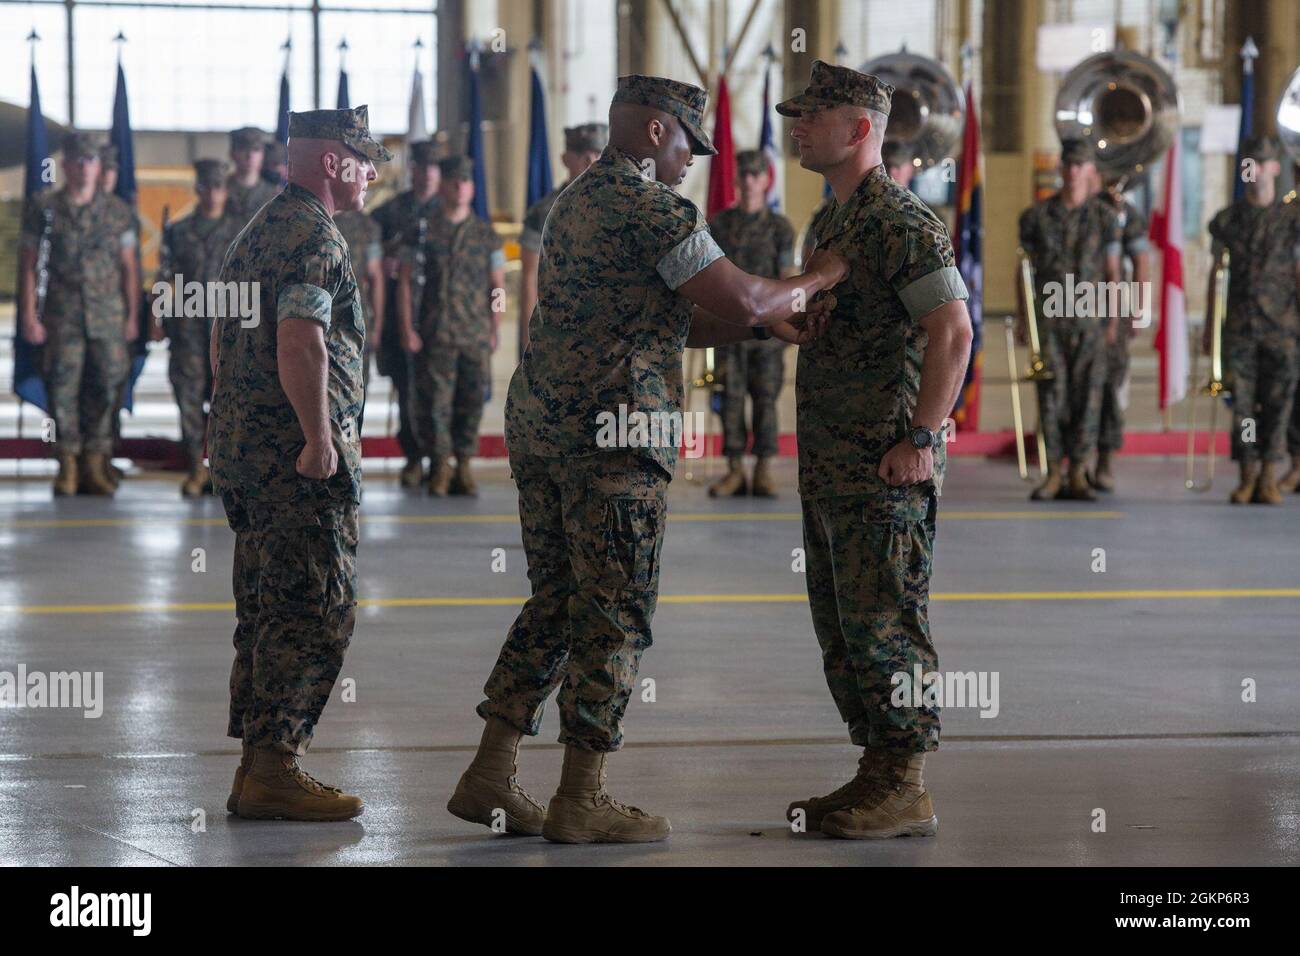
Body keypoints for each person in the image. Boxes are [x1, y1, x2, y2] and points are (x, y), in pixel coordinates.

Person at [446, 73, 846, 844]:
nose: (694, 160)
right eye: (690, 144)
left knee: (558, 602)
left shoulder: (573, 202)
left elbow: (673, 317)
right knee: (615, 612)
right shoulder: (652, 206)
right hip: (616, 441)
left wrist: (761, 326)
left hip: (547, 427)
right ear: (658, 131)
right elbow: (747, 297)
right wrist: (820, 278)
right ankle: (582, 796)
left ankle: (491, 770)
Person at [777, 60, 972, 840]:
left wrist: (922, 436)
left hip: (884, 460)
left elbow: (952, 330)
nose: (797, 127)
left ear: (860, 129)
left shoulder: (898, 220)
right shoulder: (832, 221)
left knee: (887, 620)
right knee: (845, 624)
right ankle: (876, 770)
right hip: (833, 460)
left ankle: (906, 782)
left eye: (812, 116)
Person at [208, 106, 391, 821]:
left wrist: (228, 426)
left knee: (265, 606)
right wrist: (319, 439)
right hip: (296, 460)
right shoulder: (316, 236)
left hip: (252, 451)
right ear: (332, 161)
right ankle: (277, 765)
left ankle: (259, 767)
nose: (373, 170)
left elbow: (223, 344)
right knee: (316, 606)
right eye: (364, 157)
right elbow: (300, 341)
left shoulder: (257, 230)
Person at [17, 132, 139, 497]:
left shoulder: (117, 212)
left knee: (106, 386)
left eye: (91, 161)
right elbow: (28, 266)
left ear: (99, 166)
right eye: (77, 161)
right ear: (65, 165)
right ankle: (67, 463)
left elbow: (129, 268)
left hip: (108, 316)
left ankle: (95, 462)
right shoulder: (44, 208)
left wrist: (134, 315)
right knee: (62, 388)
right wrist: (28, 315)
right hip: (61, 316)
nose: (84, 168)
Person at [1017, 138, 1122, 501]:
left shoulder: (1105, 218)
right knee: (1051, 396)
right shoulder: (1037, 217)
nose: (1074, 171)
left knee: (1089, 397)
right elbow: (1025, 272)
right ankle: (1053, 473)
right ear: (1061, 169)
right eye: (1069, 164)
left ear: (1091, 170)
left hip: (1090, 322)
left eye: (1081, 165)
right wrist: (1022, 318)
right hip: (1050, 321)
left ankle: (1079, 471)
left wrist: (1113, 321)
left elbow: (1112, 273)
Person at [396, 156, 505, 496]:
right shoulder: (422, 231)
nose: (460, 187)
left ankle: (464, 465)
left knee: (470, 401)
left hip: (473, 334)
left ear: (472, 188)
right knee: (434, 404)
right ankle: (439, 465)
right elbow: (405, 283)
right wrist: (407, 328)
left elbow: (498, 287)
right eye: (454, 181)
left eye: (465, 182)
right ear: (442, 185)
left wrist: (495, 326)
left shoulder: (487, 235)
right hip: (436, 333)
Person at [1206, 135, 1300, 504]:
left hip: (1283, 328)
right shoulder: (1228, 222)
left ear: (1275, 167)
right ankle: (1246, 474)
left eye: (1261, 162)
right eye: (1249, 163)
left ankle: (1268, 476)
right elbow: (1217, 276)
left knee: (1278, 406)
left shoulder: (1291, 222)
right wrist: (1212, 329)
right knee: (1244, 408)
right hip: (1241, 329)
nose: (1254, 170)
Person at [707, 148, 797, 498]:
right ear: (735, 179)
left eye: (755, 175)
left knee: (765, 399)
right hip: (726, 328)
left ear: (766, 180)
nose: (748, 181)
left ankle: (762, 470)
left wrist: (787, 325)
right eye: (743, 174)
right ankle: (734, 471)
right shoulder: (719, 225)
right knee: (729, 398)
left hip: (768, 333)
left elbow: (787, 278)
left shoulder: (779, 228)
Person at [155, 159, 243, 496]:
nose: (212, 194)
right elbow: (165, 276)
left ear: (226, 191)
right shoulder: (179, 231)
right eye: (206, 187)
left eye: (219, 187)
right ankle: (196, 468)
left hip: (230, 331)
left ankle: (224, 472)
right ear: (198, 190)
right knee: (189, 400)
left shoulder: (242, 229)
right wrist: (157, 318)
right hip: (189, 329)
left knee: (228, 403)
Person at [370, 139, 443, 486]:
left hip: (444, 321)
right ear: (411, 170)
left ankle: (442, 461)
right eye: (422, 167)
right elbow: (370, 254)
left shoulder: (453, 212)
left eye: (434, 168)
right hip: (402, 320)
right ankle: (413, 457)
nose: (427, 174)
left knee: (441, 395)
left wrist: (496, 310)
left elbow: (494, 286)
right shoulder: (389, 213)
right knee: (408, 392)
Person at [519, 123, 608, 355]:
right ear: (565, 159)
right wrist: (527, 341)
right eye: (582, 154)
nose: (591, 161)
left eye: (598, 154)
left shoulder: (618, 207)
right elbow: (529, 278)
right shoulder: (543, 212)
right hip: (557, 336)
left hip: (607, 336)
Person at [1090, 171, 1150, 492]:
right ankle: (1072, 464)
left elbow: (1140, 261)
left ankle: (1104, 460)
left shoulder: (1126, 212)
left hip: (1114, 311)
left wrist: (1139, 310)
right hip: (1072, 308)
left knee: (1110, 386)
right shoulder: (1080, 208)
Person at [226, 127, 280, 224]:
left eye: (256, 149)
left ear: (262, 154)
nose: (250, 155)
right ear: (232, 154)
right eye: (243, 149)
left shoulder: (274, 194)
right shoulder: (219, 190)